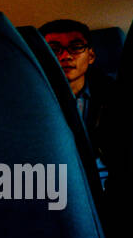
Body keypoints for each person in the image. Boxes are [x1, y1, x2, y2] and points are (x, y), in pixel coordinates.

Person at [39, 19, 112, 189]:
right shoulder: (30, 101)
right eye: (54, 49)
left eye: (76, 47)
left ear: (91, 56)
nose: (65, 56)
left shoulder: (116, 95)